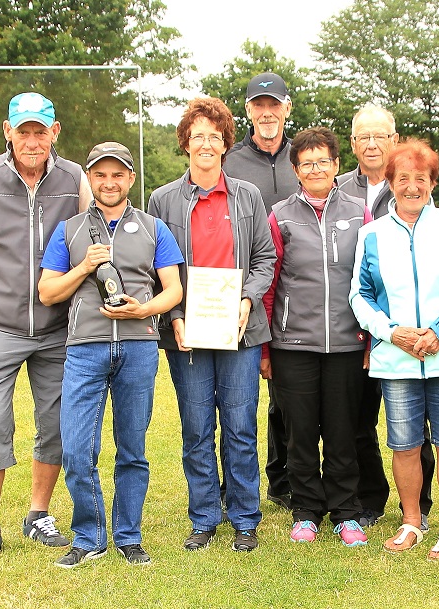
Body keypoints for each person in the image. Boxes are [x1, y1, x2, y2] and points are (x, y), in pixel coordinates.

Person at [0, 92, 92, 565]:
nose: (32, 141)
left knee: (55, 427)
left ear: (55, 133)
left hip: (57, 328)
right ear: (8, 132)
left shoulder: (75, 180)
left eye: (40, 131)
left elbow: (92, 244)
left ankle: (38, 514)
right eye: (23, 131)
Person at [38, 142, 183, 568]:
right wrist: (83, 267)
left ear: (131, 179)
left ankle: (128, 536)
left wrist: (145, 309)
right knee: (77, 450)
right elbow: (48, 292)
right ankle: (88, 536)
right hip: (85, 350)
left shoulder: (155, 228)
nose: (109, 182)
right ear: (90, 179)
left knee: (132, 449)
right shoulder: (69, 230)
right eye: (100, 175)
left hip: (138, 349)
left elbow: (173, 289)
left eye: (117, 174)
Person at [147, 97, 276, 552]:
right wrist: (174, 316)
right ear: (185, 143)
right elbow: (154, 267)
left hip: (239, 330)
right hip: (187, 334)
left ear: (225, 143)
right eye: (197, 135)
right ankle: (204, 517)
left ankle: (244, 517)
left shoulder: (248, 196)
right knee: (196, 426)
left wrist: (246, 299)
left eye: (215, 136)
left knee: (240, 425)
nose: (206, 143)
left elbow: (265, 256)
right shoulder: (162, 200)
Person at [350, 139, 439, 559]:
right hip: (396, 360)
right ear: (389, 182)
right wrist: (392, 334)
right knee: (404, 445)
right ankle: (411, 521)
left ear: (432, 183)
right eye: (403, 178)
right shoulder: (370, 235)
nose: (412, 187)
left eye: (421, 179)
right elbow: (360, 295)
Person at [262, 127, 370, 547]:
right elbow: (269, 283)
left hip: (347, 342)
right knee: (300, 431)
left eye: (323, 161)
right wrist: (267, 348)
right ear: (296, 170)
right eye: (307, 163)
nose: (316, 168)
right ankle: (306, 509)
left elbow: (372, 277)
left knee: (344, 430)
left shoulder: (360, 213)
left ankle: (346, 511)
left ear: (337, 165)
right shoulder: (281, 215)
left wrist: (371, 340)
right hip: (293, 345)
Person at [337, 104, 436, 532]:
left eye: (381, 135)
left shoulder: (416, 188)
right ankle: (369, 499)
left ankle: (422, 503)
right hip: (354, 328)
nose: (372, 144)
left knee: (418, 423)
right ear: (354, 143)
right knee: (360, 421)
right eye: (363, 137)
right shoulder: (336, 190)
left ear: (394, 140)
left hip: (410, 334)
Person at [225, 72, 297, 510]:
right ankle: (267, 478)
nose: (267, 112)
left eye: (275, 104)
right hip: (245, 289)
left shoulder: (304, 156)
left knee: (288, 392)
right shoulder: (230, 160)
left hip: (297, 291)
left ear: (287, 108)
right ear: (248, 111)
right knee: (241, 395)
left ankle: (286, 478)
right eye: (258, 105)